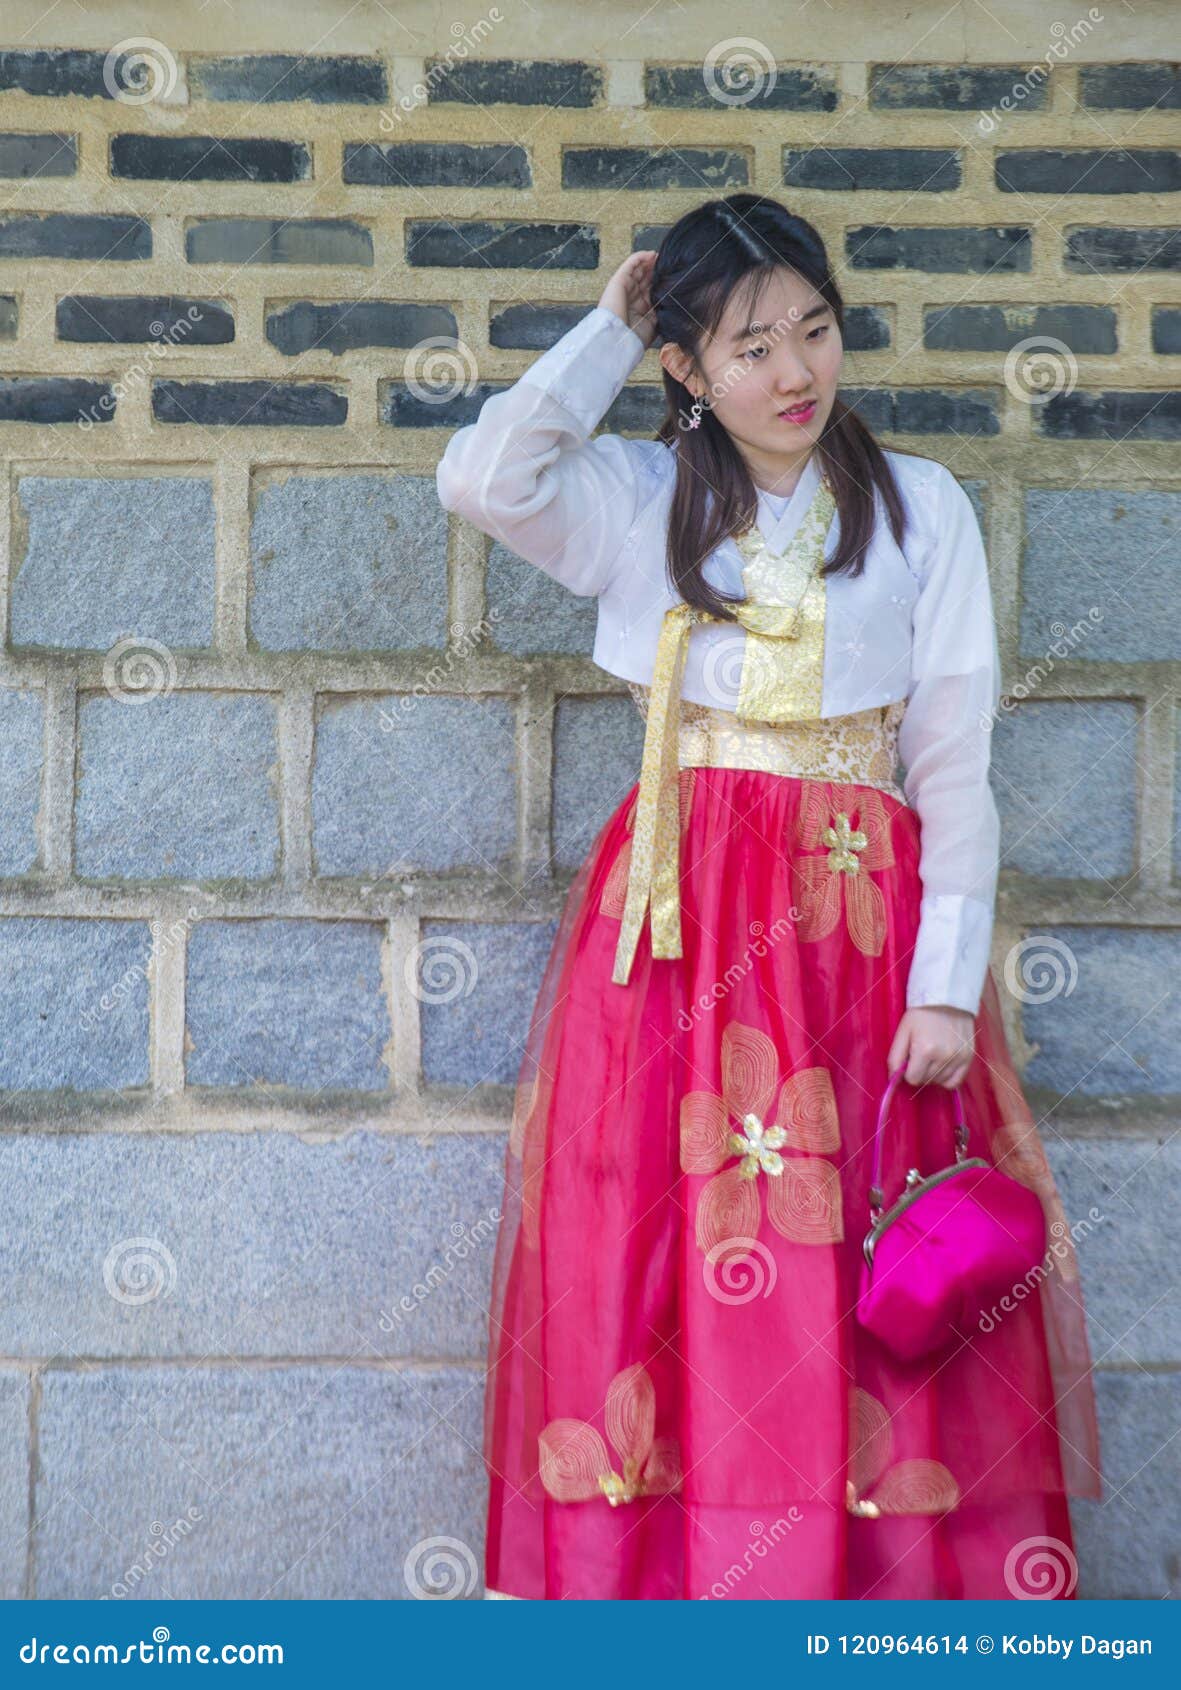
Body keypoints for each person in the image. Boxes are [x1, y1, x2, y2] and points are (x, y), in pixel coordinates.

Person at [435, 193, 1102, 1601]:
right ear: (684, 365)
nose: (796, 372)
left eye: (815, 329)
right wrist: (608, 331)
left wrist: (945, 983)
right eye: (749, 348)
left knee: (860, 1235)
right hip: (677, 918)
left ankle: (868, 1596)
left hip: (859, 919)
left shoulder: (921, 505)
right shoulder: (636, 498)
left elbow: (953, 761)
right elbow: (486, 478)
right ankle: (676, 1598)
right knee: (663, 1237)